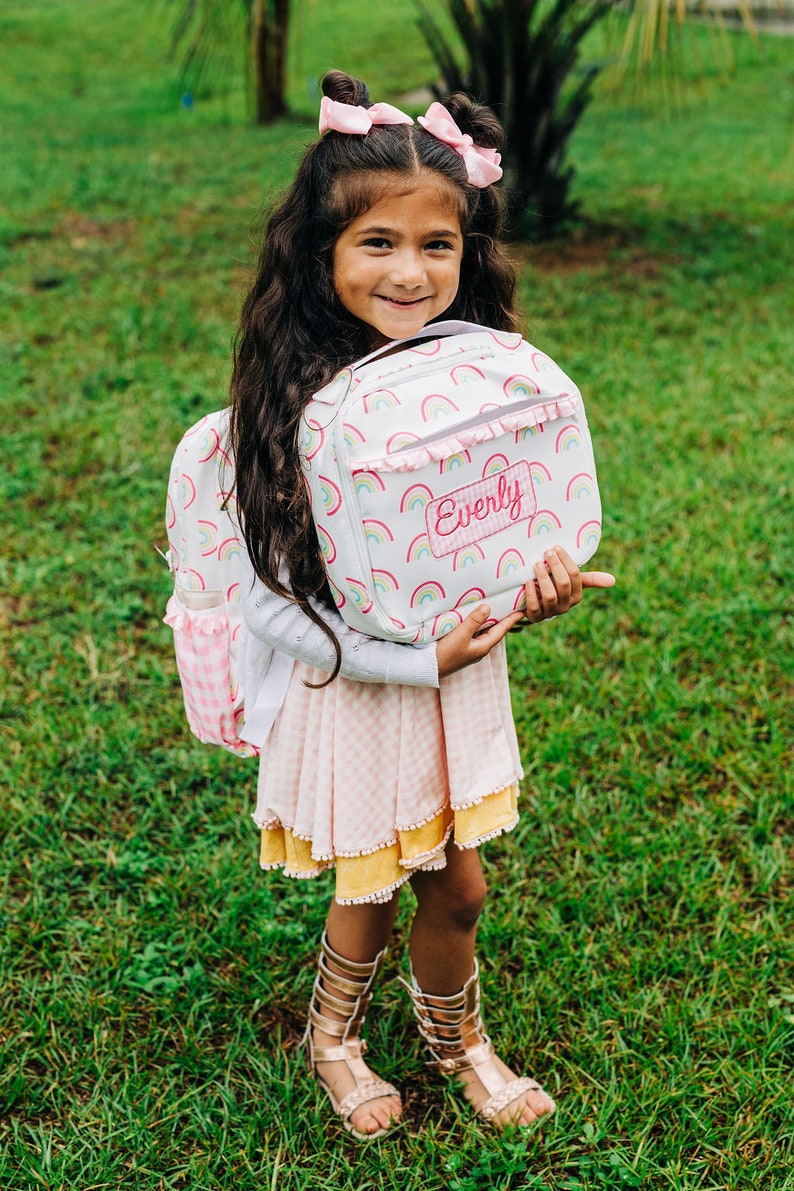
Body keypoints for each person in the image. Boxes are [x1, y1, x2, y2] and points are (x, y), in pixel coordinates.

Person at [230, 69, 615, 1139]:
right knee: (368, 890)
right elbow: (267, 605)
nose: (410, 271)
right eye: (377, 243)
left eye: (435, 245)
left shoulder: (485, 384)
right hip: (364, 692)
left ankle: (459, 1044)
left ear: (468, 251)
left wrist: (529, 596)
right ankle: (334, 1043)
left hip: (458, 684)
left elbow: (486, 538)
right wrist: (412, 659)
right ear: (320, 256)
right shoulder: (279, 410)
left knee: (459, 889)